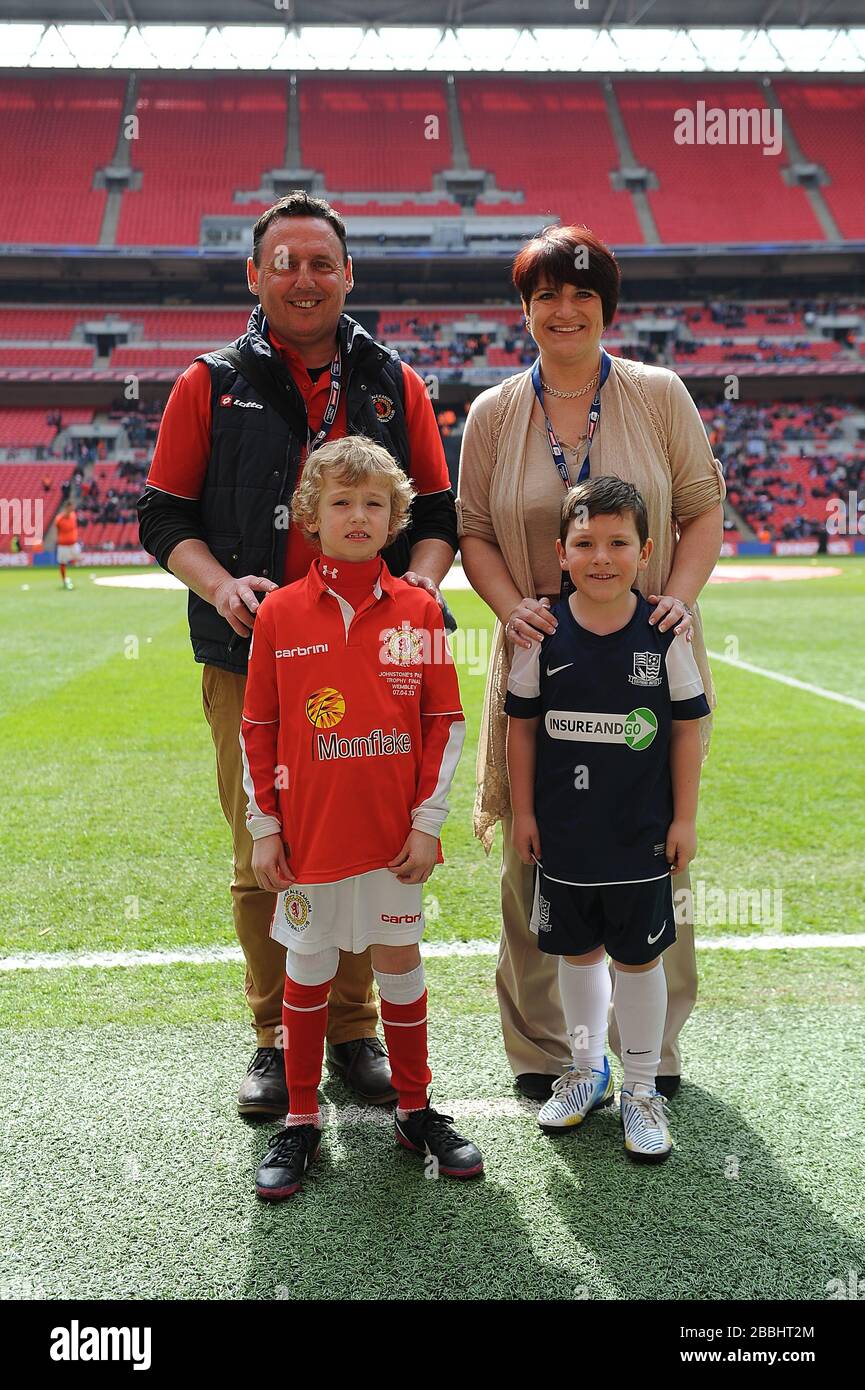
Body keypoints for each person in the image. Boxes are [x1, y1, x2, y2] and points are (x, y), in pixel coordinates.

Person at [138, 192, 459, 1118]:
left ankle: (353, 1032)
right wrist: (218, 585)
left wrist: (425, 587)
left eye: (321, 262)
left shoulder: (393, 382)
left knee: (363, 850)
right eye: (286, 262)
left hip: (373, 660)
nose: (304, 278)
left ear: (347, 274)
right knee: (264, 850)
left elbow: (434, 515)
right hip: (255, 657)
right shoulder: (209, 381)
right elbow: (165, 512)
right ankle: (276, 1038)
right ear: (255, 275)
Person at [457, 224, 725, 1101]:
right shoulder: (495, 412)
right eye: (545, 296)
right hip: (542, 658)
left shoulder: (659, 393)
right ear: (526, 310)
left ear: (605, 308)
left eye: (580, 294)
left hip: (646, 658)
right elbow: (474, 532)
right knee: (533, 855)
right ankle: (549, 1052)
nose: (563, 309)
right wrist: (511, 610)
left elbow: (699, 507)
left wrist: (677, 599)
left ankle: (653, 1051)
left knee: (654, 848)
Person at [242, 435, 482, 1199]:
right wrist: (265, 828)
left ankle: (414, 1107)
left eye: (372, 503)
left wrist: (426, 822)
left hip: (391, 840)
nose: (356, 515)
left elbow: (443, 721)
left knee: (399, 966)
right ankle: (303, 1119)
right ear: (310, 515)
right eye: (340, 502)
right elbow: (259, 729)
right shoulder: (279, 614)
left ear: (394, 518)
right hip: (309, 839)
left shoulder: (419, 609)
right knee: (306, 968)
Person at [505, 477, 710, 1162]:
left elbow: (686, 730)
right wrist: (526, 812)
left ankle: (642, 1088)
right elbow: (522, 729)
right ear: (560, 552)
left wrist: (684, 819)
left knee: (639, 958)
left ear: (644, 550)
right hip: (564, 836)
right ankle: (585, 1071)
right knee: (577, 954)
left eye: (617, 542)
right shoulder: (541, 631)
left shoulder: (662, 630)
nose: (601, 556)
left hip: (640, 837)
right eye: (584, 542)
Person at [55, 500, 80, 589]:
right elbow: (57, 530)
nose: (72, 509)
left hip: (73, 543)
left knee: (78, 559)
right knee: (62, 563)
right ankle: (64, 579)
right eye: (70, 508)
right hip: (63, 545)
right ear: (66, 508)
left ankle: (73, 574)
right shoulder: (59, 519)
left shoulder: (73, 515)